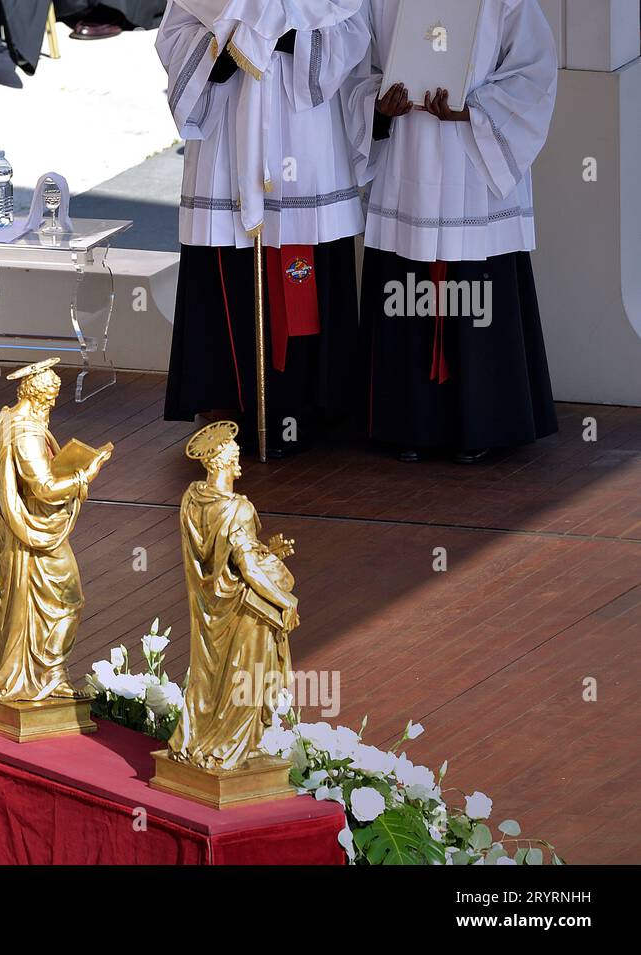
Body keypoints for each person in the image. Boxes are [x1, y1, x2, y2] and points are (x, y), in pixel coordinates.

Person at [344, 0, 558, 463]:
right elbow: (356, 69)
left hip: (472, 168)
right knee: (405, 284)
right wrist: (378, 107)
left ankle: (481, 423)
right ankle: (406, 423)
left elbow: (533, 71)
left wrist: (472, 111)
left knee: (475, 289)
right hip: (408, 159)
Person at [158, 0, 370, 457]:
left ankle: (307, 408)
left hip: (303, 129)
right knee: (227, 264)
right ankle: (227, 409)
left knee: (301, 263)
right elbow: (175, 33)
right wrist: (226, 47)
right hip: (227, 132)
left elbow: (353, 29)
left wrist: (278, 34)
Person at [0, 358, 110, 702]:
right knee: (68, 599)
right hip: (30, 532)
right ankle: (44, 675)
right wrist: (85, 474)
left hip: (13, 526)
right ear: (40, 395)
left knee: (25, 604)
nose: (53, 403)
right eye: (52, 397)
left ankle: (41, 674)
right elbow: (44, 487)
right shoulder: (26, 433)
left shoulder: (6, 419)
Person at [169, 420, 297, 769]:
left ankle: (201, 740)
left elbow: (216, 560)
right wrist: (286, 601)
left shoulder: (192, 499)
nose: (240, 459)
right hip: (244, 611)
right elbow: (249, 571)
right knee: (246, 677)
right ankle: (230, 747)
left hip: (210, 607)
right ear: (222, 460)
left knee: (213, 678)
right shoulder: (237, 508)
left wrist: (264, 550)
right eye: (235, 454)